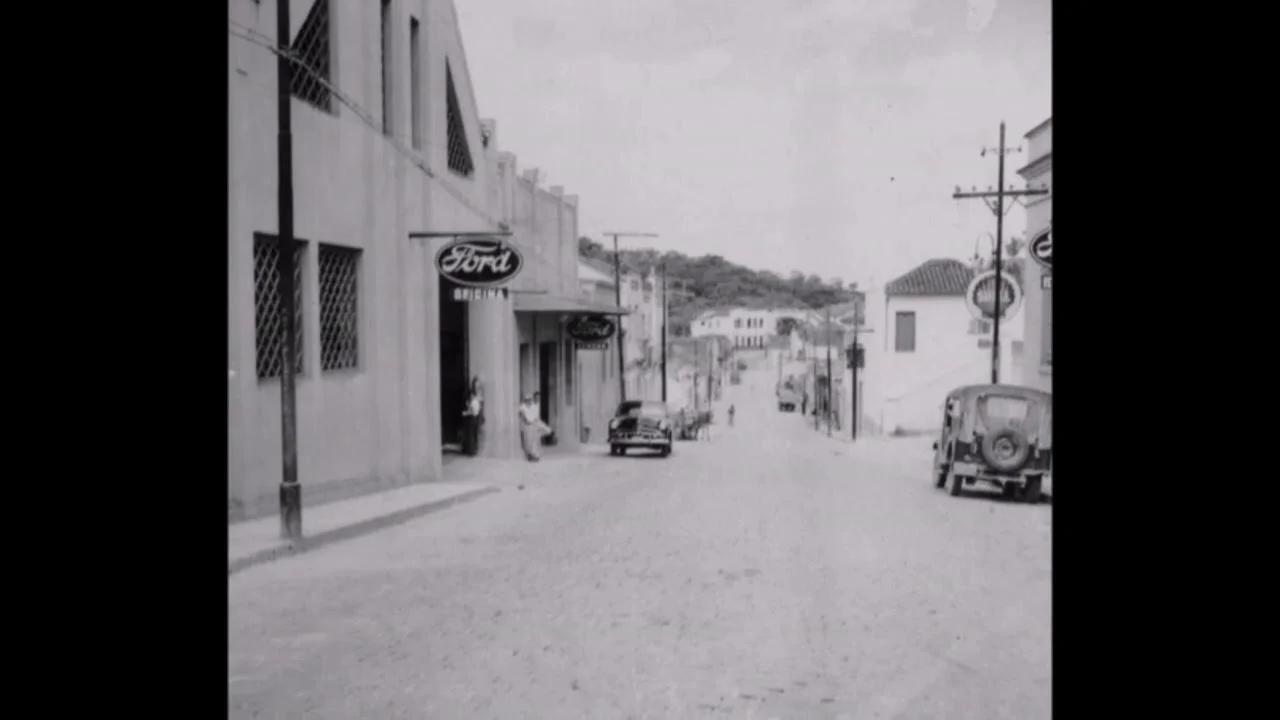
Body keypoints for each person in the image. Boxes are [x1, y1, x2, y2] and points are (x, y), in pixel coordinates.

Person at [519, 394, 549, 461]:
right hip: (527, 426)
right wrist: (526, 420)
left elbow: (534, 416)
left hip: (532, 424)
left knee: (533, 441)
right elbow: (523, 416)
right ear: (525, 401)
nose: (529, 402)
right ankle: (530, 456)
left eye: (530, 400)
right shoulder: (523, 407)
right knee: (528, 441)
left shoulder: (532, 406)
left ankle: (533, 455)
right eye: (527, 400)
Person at [461, 376, 483, 456]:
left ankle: (474, 449)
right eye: (475, 384)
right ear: (473, 384)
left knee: (476, 432)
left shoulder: (480, 393)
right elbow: (468, 402)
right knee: (471, 433)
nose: (477, 386)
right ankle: (471, 450)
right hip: (472, 413)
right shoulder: (471, 393)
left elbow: (480, 404)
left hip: (477, 414)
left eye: (478, 384)